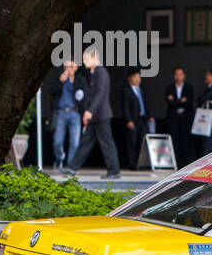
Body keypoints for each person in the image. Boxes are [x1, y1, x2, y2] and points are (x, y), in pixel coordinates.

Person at [63, 49, 121, 179]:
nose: (84, 61)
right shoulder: (94, 73)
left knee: (106, 143)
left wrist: (90, 111)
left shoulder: (101, 72)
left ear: (95, 58)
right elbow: (92, 95)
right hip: (95, 116)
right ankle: (72, 168)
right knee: (86, 142)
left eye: (86, 59)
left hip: (101, 115)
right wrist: (88, 112)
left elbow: (100, 95)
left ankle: (114, 171)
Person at [45, 60, 82, 172]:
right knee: (58, 141)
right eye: (66, 66)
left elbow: (85, 97)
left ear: (76, 67)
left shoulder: (80, 81)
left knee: (75, 142)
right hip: (60, 112)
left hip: (75, 113)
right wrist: (60, 81)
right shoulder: (59, 78)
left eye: (71, 66)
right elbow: (50, 92)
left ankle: (71, 165)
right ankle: (60, 157)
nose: (68, 68)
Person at [163, 67, 195, 166]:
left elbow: (189, 102)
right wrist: (181, 101)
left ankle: (186, 163)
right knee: (173, 141)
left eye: (180, 74)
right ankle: (174, 162)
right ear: (174, 76)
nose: (178, 76)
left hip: (185, 119)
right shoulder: (169, 88)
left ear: (184, 76)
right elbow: (169, 102)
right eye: (176, 74)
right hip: (173, 119)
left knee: (185, 141)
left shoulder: (189, 87)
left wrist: (175, 101)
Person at [120, 71, 151, 169]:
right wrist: (128, 120)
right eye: (135, 77)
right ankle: (132, 164)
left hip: (142, 119)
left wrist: (150, 115)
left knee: (142, 142)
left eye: (139, 77)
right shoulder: (126, 90)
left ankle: (141, 163)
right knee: (131, 142)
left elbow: (145, 103)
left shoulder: (142, 89)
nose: (138, 79)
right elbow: (125, 107)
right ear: (129, 78)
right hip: (133, 120)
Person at [194, 67, 212, 158]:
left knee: (209, 143)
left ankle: (207, 159)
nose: (205, 77)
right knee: (204, 142)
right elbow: (200, 99)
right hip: (206, 119)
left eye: (207, 75)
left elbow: (204, 98)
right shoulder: (208, 88)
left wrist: (204, 99)